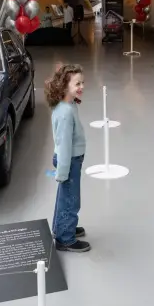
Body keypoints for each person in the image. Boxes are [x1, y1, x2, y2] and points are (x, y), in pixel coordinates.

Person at [44, 64, 90, 252]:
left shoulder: (68, 104)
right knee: (71, 200)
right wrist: (62, 173)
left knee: (65, 197)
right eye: (77, 83)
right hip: (68, 162)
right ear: (64, 87)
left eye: (82, 82)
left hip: (70, 160)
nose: (81, 87)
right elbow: (64, 146)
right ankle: (65, 238)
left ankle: (62, 227)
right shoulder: (65, 113)